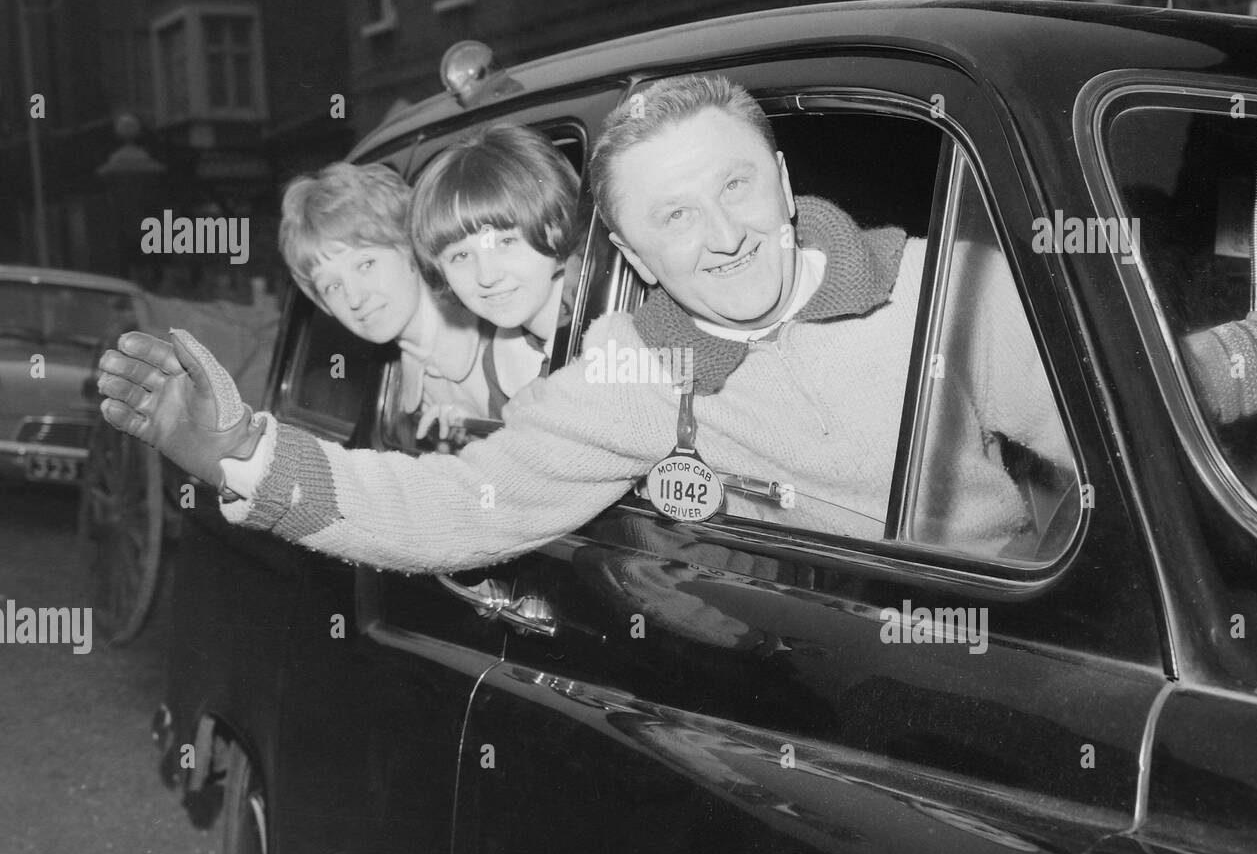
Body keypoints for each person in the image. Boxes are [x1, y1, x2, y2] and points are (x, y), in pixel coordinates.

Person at [96, 72, 1071, 575]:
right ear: (635, 256)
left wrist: (1233, 359)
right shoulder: (634, 370)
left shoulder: (948, 289)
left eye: (734, 186)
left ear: (780, 183)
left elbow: (1131, 429)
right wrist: (237, 454)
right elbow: (457, 504)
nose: (722, 237)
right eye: (672, 217)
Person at [278, 161, 493, 433]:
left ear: (409, 248)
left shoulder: (498, 333)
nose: (354, 299)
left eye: (366, 264)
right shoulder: (410, 381)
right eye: (332, 286)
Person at [405, 121, 582, 438]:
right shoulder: (500, 359)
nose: (487, 276)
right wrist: (472, 424)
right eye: (460, 256)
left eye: (506, 242)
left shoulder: (613, 333)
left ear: (556, 226)